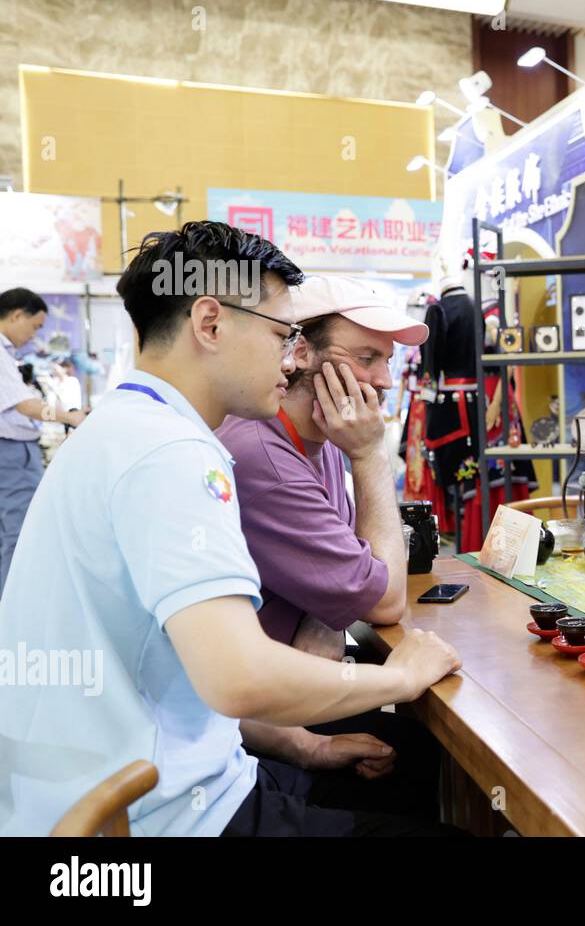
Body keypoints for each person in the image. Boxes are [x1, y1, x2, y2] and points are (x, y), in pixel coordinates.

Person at [0, 222, 461, 836]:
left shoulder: (131, 428)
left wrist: (305, 746)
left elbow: (195, 673)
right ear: (211, 323)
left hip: (161, 782)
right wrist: (399, 677)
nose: (289, 357)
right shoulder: (172, 454)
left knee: (403, 767)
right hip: (153, 817)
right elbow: (239, 676)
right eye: (280, 335)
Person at [215, 275, 444, 823]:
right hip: (244, 731)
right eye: (366, 357)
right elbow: (383, 599)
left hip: (276, 699)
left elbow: (356, 582)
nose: (385, 380)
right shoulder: (266, 453)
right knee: (411, 752)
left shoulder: (320, 439)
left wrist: (344, 598)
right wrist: (371, 457)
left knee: (408, 747)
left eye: (387, 361)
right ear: (298, 350)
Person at [0, 287, 85, 591]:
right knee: (19, 533)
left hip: (12, 451)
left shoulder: (10, 356)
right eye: (35, 326)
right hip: (10, 453)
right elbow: (24, 405)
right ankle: (13, 611)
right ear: (17, 315)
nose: (34, 335)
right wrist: (70, 417)